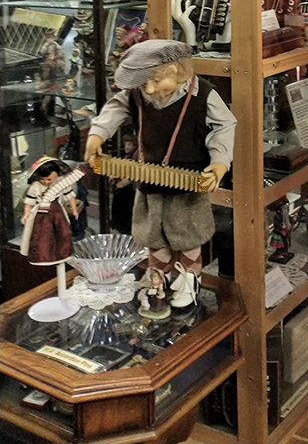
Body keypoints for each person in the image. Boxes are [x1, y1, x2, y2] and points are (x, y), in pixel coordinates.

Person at [84, 40, 236, 299]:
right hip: (149, 181)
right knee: (153, 235)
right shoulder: (140, 93)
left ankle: (189, 282)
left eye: (155, 81)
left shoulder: (204, 95)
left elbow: (224, 126)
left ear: (175, 70)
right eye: (144, 83)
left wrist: (219, 163)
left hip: (188, 185)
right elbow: (115, 107)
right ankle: (158, 279)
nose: (150, 89)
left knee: (188, 236)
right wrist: (97, 134)